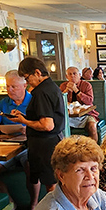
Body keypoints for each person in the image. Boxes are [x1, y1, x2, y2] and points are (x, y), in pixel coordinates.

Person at [0, 70, 40, 210]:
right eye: (7, 86)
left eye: (14, 86)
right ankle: (11, 204)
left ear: (25, 85)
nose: (9, 90)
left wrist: (29, 128)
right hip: (6, 147)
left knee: (32, 168)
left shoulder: (34, 102)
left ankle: (34, 206)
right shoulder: (3, 103)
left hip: (27, 146)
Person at [9, 57, 66, 194]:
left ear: (37, 73)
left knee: (51, 187)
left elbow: (47, 125)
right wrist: (25, 117)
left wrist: (24, 121)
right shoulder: (51, 87)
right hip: (54, 141)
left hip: (45, 146)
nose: (27, 83)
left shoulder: (41, 92)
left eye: (27, 78)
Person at [60, 65, 99, 141]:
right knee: (59, 126)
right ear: (66, 76)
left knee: (92, 127)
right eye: (70, 74)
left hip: (87, 114)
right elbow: (58, 101)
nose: (72, 76)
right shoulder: (63, 86)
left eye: (75, 74)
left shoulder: (86, 85)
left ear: (80, 75)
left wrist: (76, 91)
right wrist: (66, 91)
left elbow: (90, 101)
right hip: (69, 116)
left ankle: (94, 149)